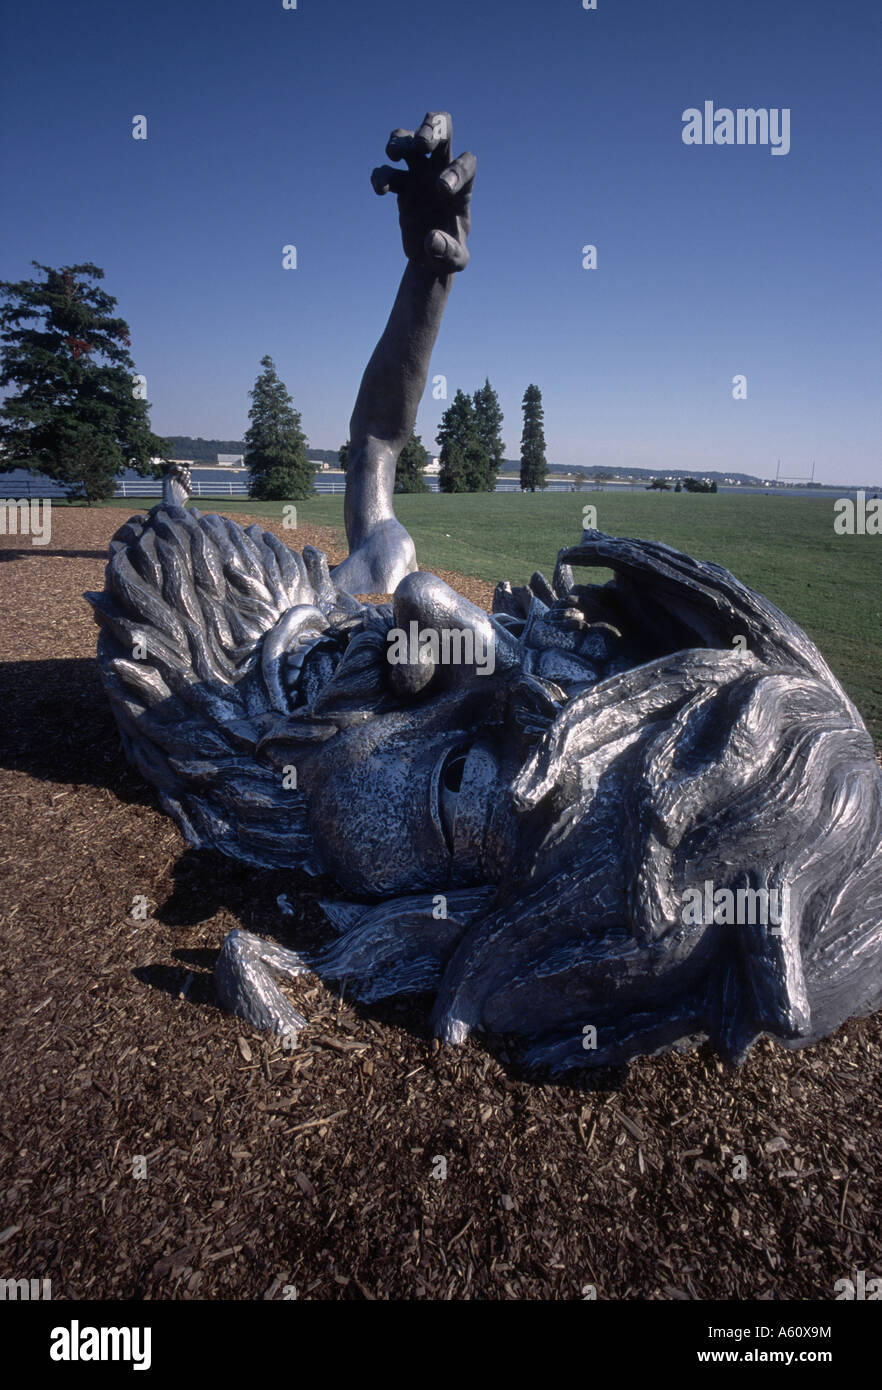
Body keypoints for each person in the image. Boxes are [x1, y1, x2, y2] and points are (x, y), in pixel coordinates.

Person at [87, 114, 882, 1072]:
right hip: (274, 596)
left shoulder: (219, 704)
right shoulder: (375, 583)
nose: (435, 606)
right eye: (561, 640)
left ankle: (172, 494)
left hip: (199, 629)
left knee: (170, 538)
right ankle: (176, 484)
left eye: (462, 774)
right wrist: (430, 280)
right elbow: (375, 449)